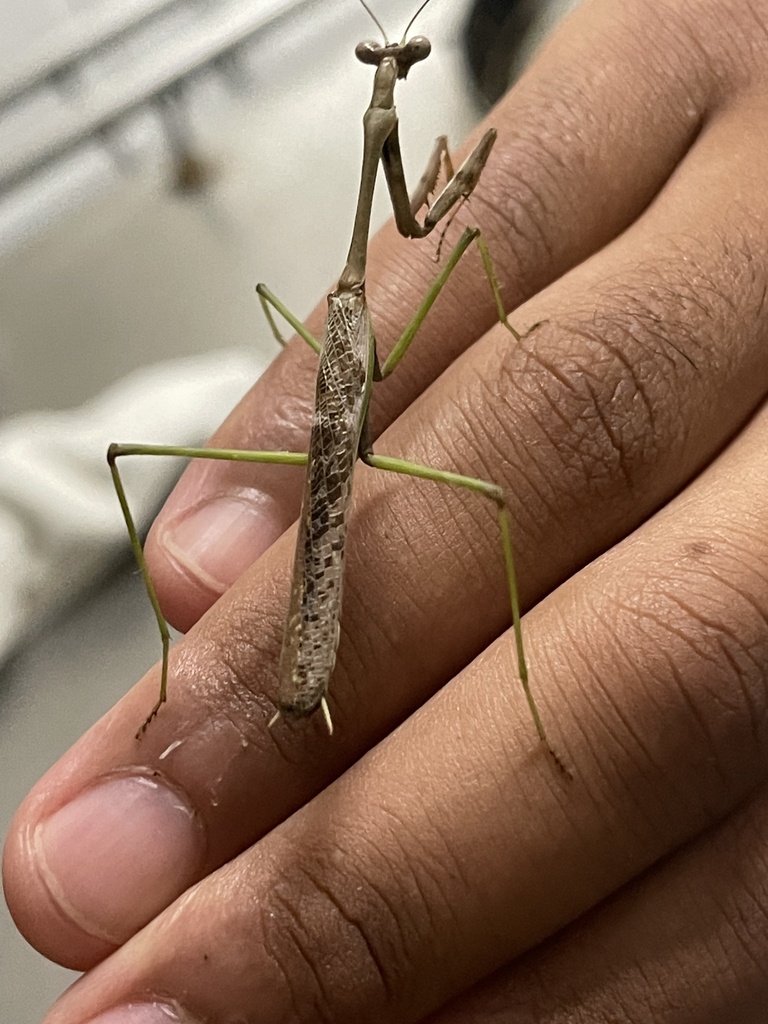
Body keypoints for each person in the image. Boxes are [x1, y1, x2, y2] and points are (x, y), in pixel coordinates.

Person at [5, 0, 768, 1020]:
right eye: (391, 66)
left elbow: (413, 222)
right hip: (333, 497)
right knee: (487, 496)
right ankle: (527, 699)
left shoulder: (369, 256)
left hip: (339, 450)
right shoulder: (384, 255)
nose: (393, 70)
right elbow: (433, 228)